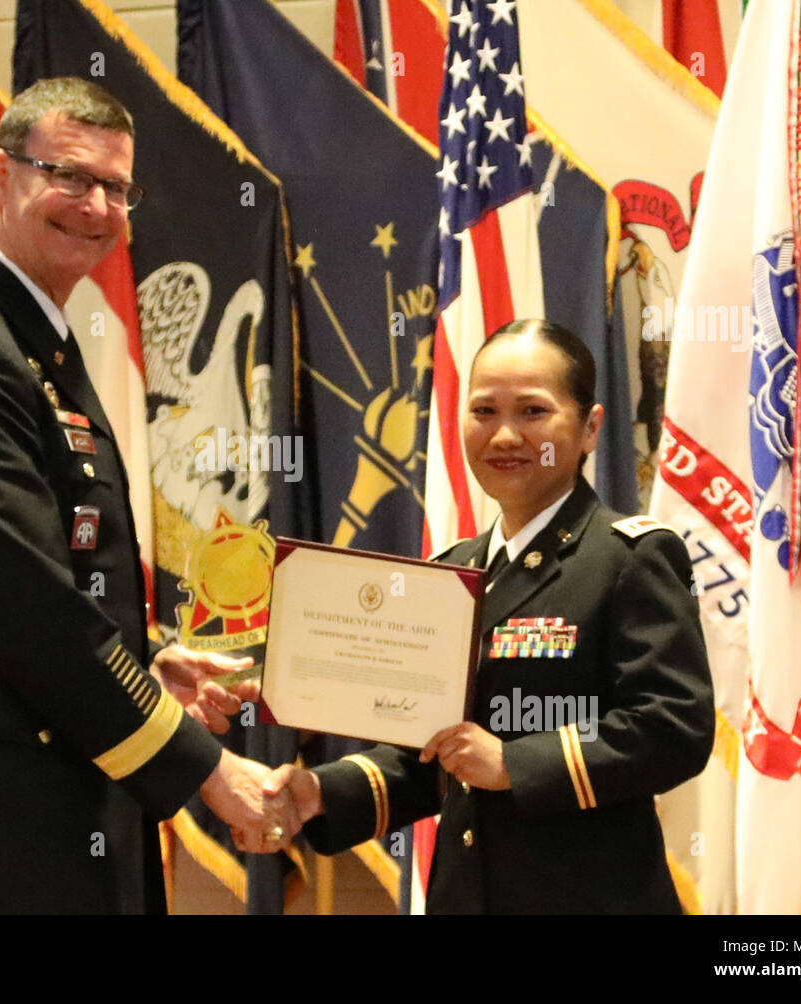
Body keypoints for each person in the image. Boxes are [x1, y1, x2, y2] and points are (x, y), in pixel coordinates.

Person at [0, 77, 289, 914]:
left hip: (68, 814)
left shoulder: (36, 344)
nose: (96, 206)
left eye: (118, 188)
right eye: (69, 175)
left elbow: (60, 571)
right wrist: (209, 771)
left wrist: (149, 658)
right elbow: (31, 615)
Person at [264, 319, 714, 913]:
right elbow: (431, 751)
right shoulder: (454, 573)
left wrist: (515, 764)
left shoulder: (628, 556)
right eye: (483, 411)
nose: (504, 435)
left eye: (532, 411)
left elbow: (673, 728)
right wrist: (321, 793)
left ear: (590, 429)